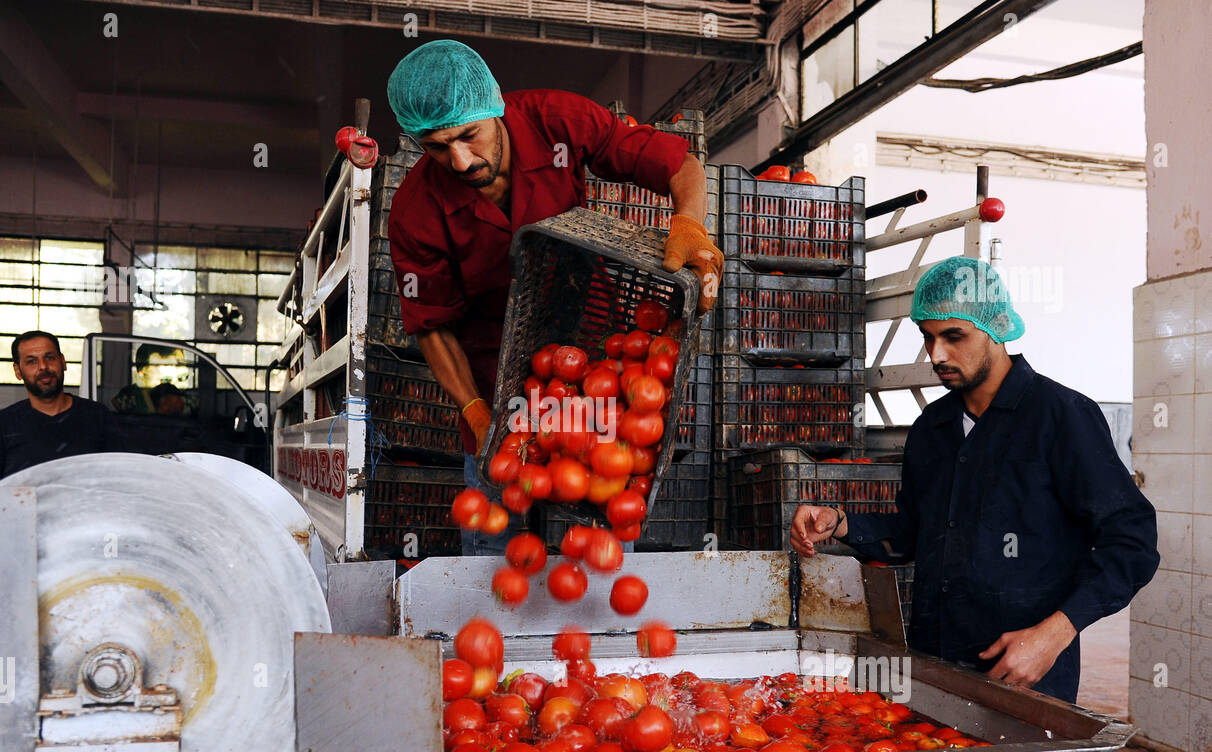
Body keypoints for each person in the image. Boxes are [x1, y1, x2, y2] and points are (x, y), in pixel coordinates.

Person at [386, 40, 723, 555]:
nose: (459, 160)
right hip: (495, 381)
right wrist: (477, 411)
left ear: (494, 105)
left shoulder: (557, 121)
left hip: (592, 361)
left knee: (596, 542)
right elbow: (431, 323)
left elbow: (680, 165)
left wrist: (690, 225)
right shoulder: (415, 210)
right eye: (435, 146)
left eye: (468, 136)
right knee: (495, 558)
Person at [789, 257, 1159, 704]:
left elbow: (1133, 543)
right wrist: (841, 522)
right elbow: (912, 536)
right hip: (936, 667)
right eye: (928, 338)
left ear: (995, 327)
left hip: (1026, 677)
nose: (936, 355)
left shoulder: (1062, 418)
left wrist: (1053, 634)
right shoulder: (932, 429)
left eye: (953, 336)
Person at [0, 330, 123, 486]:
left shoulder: (97, 416)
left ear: (63, 362)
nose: (43, 367)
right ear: (18, 371)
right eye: (32, 361)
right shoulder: (2, 425)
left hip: (85, 509)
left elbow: (121, 478)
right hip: (27, 510)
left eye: (50, 358)